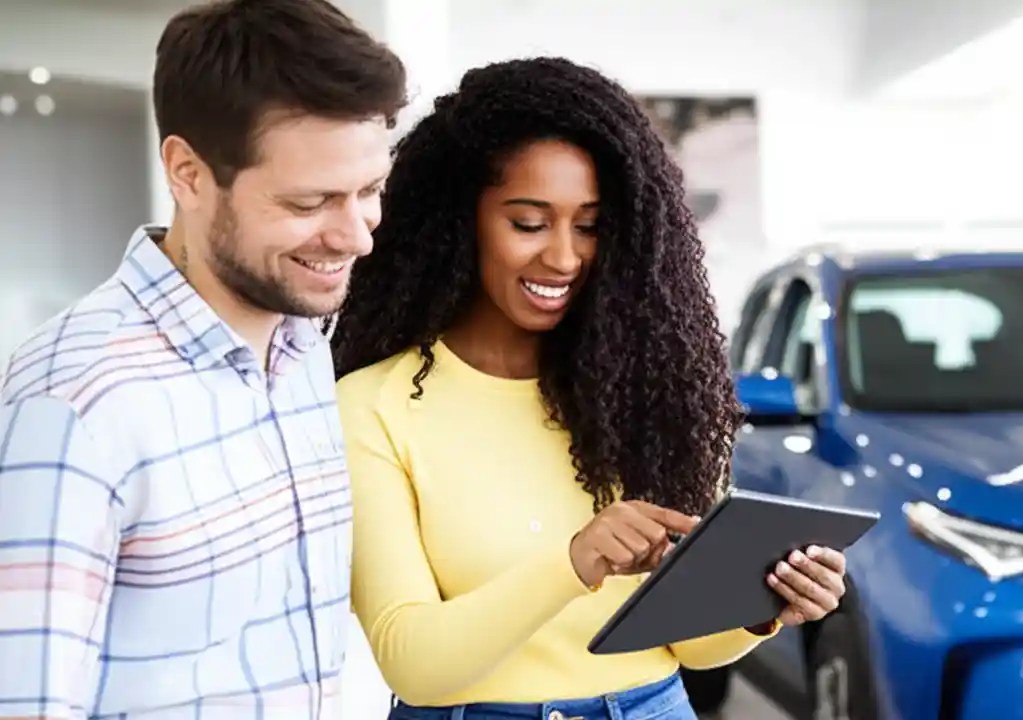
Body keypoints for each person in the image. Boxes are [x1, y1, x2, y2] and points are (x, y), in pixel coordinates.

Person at [330, 57, 848, 720]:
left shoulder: (646, 392)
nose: (565, 257)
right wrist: (573, 563)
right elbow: (414, 664)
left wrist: (762, 605)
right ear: (460, 221)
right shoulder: (372, 406)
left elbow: (689, 649)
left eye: (590, 225)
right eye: (528, 223)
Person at [0, 1, 405, 717]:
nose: (356, 236)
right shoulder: (73, 403)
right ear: (187, 173)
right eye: (310, 201)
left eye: (369, 192)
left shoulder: (306, 345)